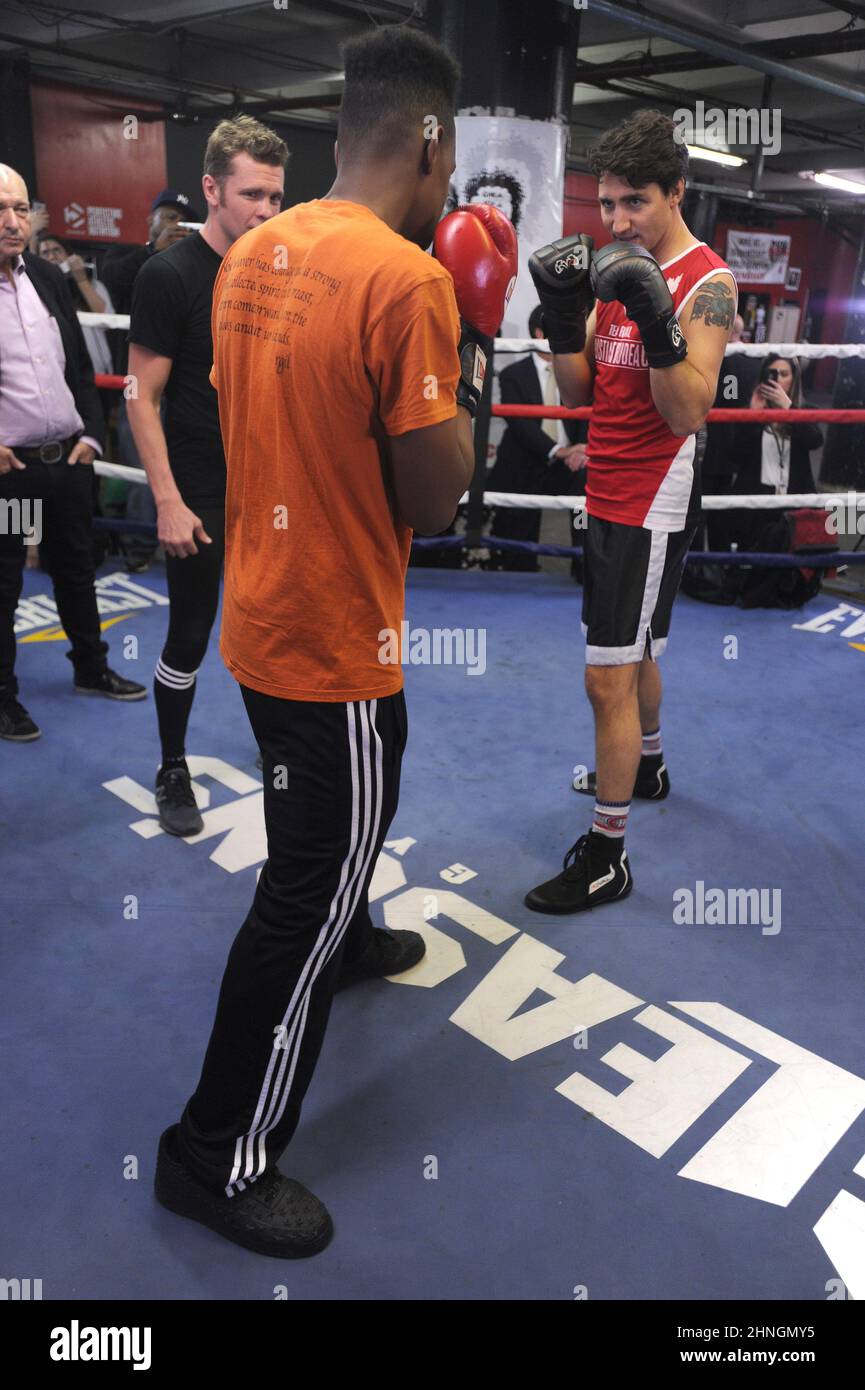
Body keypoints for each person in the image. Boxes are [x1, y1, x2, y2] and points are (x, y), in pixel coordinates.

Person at [153, 24, 517, 1257]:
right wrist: (474, 340)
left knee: (356, 797)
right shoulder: (409, 280)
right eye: (451, 147)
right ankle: (215, 1154)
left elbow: (246, 400)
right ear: (430, 139)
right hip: (329, 630)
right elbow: (435, 501)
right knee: (303, 878)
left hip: (260, 608)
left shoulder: (256, 247)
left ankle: (353, 936)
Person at [523, 110, 737, 914]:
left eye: (634, 203)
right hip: (605, 490)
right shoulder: (614, 266)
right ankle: (646, 765)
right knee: (636, 648)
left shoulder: (706, 284)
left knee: (602, 677)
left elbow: (685, 412)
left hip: (650, 498)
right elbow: (580, 393)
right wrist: (561, 313)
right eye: (606, 204)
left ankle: (607, 855)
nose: (615, 221)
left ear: (675, 193)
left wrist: (653, 317)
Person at [126, 117, 289, 836]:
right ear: (211, 189)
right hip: (196, 489)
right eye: (252, 194)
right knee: (190, 632)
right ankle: (171, 766)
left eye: (276, 197)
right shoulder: (169, 274)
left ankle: (278, 750)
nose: (265, 210)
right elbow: (140, 395)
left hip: (269, 491)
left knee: (276, 629)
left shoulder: (278, 270)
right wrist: (165, 498)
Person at [0, 164, 145, 742]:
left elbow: (80, 366)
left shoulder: (46, 276)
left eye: (19, 208)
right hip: (12, 473)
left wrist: (90, 435)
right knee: (5, 582)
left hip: (65, 463)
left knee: (77, 569)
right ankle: (4, 697)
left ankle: (91, 666)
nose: (12, 222)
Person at [103, 190, 202, 572]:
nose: (175, 225)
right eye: (168, 216)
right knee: (142, 463)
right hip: (141, 385)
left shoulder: (195, 265)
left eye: (183, 219)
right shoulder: (124, 259)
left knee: (191, 463)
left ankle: (191, 537)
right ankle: (140, 545)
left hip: (187, 386)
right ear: (151, 221)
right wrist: (154, 251)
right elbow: (113, 282)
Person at [487, 304, 585, 572]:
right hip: (527, 460)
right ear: (539, 333)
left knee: (585, 508)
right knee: (517, 520)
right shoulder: (513, 374)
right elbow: (521, 426)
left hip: (571, 463)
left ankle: (584, 565)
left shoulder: (579, 371)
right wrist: (557, 450)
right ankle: (518, 567)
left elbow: (590, 414)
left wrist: (582, 449)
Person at [698, 312, 760, 552]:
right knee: (724, 512)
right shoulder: (756, 359)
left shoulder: (715, 359)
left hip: (712, 447)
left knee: (701, 510)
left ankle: (702, 569)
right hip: (744, 447)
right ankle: (721, 565)